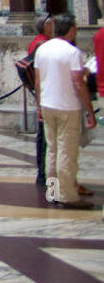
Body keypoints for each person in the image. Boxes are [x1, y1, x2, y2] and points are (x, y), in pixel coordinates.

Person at [34, 14, 95, 208]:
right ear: (71, 29)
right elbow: (78, 82)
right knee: (67, 151)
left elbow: (37, 81)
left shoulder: (42, 49)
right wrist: (89, 111)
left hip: (48, 104)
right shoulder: (72, 52)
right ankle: (67, 195)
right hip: (67, 105)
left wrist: (39, 105)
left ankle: (53, 192)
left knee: (51, 150)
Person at [29, 14, 54, 186]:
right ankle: (45, 175)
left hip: (43, 95)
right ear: (45, 26)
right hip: (47, 96)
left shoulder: (36, 42)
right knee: (47, 139)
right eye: (51, 24)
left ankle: (43, 172)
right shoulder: (42, 44)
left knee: (43, 136)